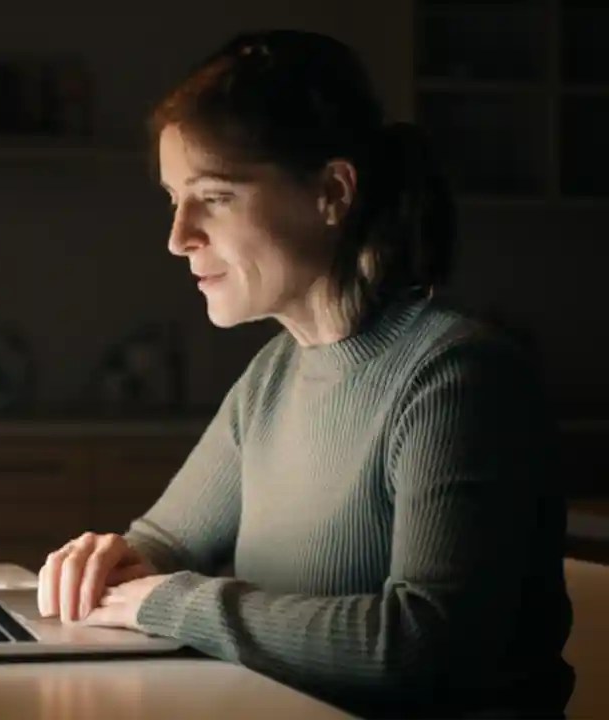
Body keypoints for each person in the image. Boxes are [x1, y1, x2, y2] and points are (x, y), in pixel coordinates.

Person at [36, 29, 575, 719]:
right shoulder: (273, 377)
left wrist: (171, 602)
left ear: (331, 191)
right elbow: (166, 545)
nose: (178, 237)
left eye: (215, 196)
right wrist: (107, 559)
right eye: (174, 198)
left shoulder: (456, 378)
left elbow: (424, 647)